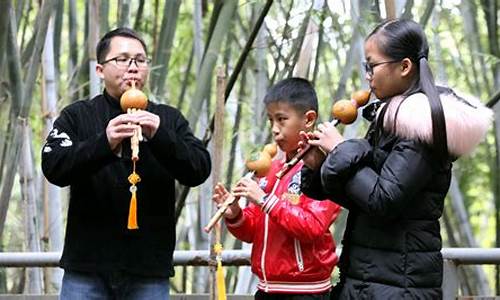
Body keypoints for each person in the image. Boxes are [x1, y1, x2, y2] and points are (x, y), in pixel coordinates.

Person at [299, 19, 492, 299]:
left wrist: (340, 150)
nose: (367, 76)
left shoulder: (421, 124)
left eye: (371, 65)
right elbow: (361, 198)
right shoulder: (389, 118)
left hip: (400, 283)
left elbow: (383, 199)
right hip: (370, 278)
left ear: (404, 66)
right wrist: (319, 165)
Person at [41, 28, 211, 299]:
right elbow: (53, 166)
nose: (133, 68)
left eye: (140, 60)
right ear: (100, 69)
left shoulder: (167, 118)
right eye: (122, 59)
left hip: (148, 269)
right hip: (87, 268)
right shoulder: (77, 116)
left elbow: (199, 168)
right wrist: (104, 142)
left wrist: (161, 135)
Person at [212, 78, 342, 300]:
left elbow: (311, 227)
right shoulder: (272, 169)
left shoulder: (325, 169)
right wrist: (235, 215)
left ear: (309, 119)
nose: (274, 129)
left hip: (305, 292)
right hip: (267, 289)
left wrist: (264, 200)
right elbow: (253, 232)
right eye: (271, 120)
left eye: (282, 119)